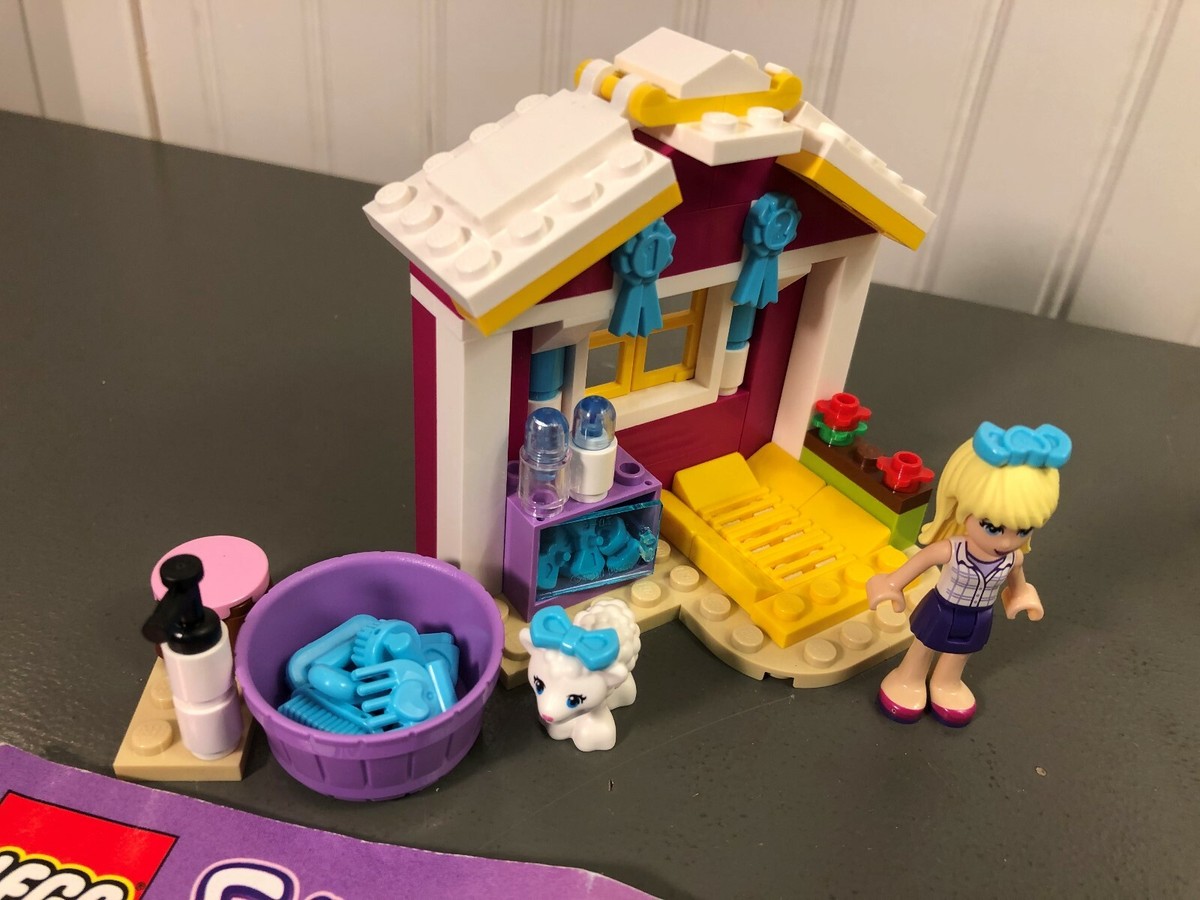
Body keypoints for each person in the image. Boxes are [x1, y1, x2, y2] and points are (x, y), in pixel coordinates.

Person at [867, 422, 1071, 726]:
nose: (1007, 542)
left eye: (1023, 530)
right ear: (963, 509)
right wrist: (891, 585)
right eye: (992, 527)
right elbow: (916, 564)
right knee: (925, 644)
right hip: (943, 607)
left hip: (979, 614)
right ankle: (908, 678)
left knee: (962, 652)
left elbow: (1018, 583)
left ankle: (946, 683)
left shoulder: (1012, 559)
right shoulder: (952, 550)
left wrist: (1021, 597)